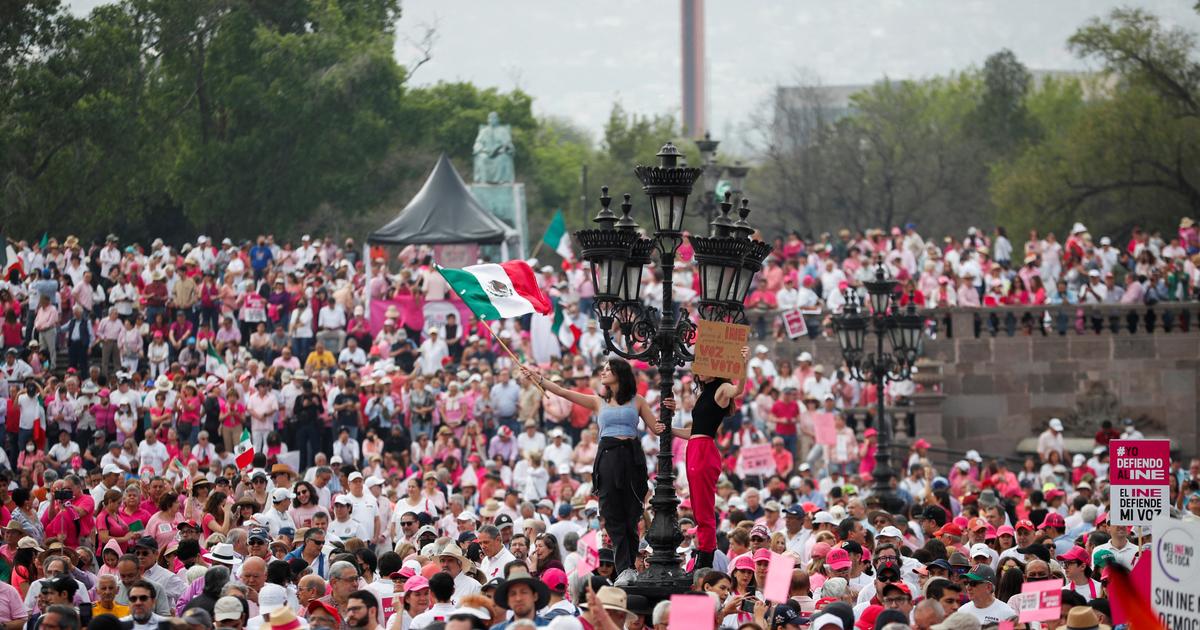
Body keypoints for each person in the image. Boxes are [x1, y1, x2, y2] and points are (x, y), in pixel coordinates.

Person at [520, 359, 666, 573]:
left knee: (632, 513)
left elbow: (657, 428)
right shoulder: (599, 401)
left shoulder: (638, 401)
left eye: (608, 369)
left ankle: (630, 567)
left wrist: (668, 410)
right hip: (608, 457)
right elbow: (563, 392)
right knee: (612, 512)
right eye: (604, 369)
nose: (603, 372)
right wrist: (537, 377)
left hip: (631, 458)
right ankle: (624, 569)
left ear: (620, 373)